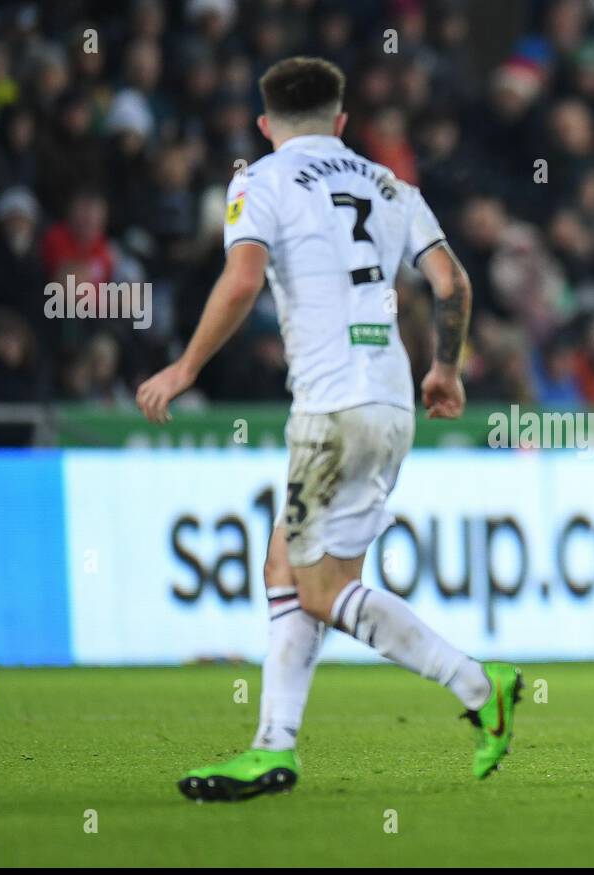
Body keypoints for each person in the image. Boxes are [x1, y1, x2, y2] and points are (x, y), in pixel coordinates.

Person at [136, 57, 521, 800]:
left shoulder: (260, 180)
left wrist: (183, 368)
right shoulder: (391, 185)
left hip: (329, 405)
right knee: (287, 569)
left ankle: (477, 684)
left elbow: (243, 278)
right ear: (342, 122)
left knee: (318, 586)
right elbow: (453, 282)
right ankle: (274, 746)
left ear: (264, 124)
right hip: (392, 402)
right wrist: (446, 368)